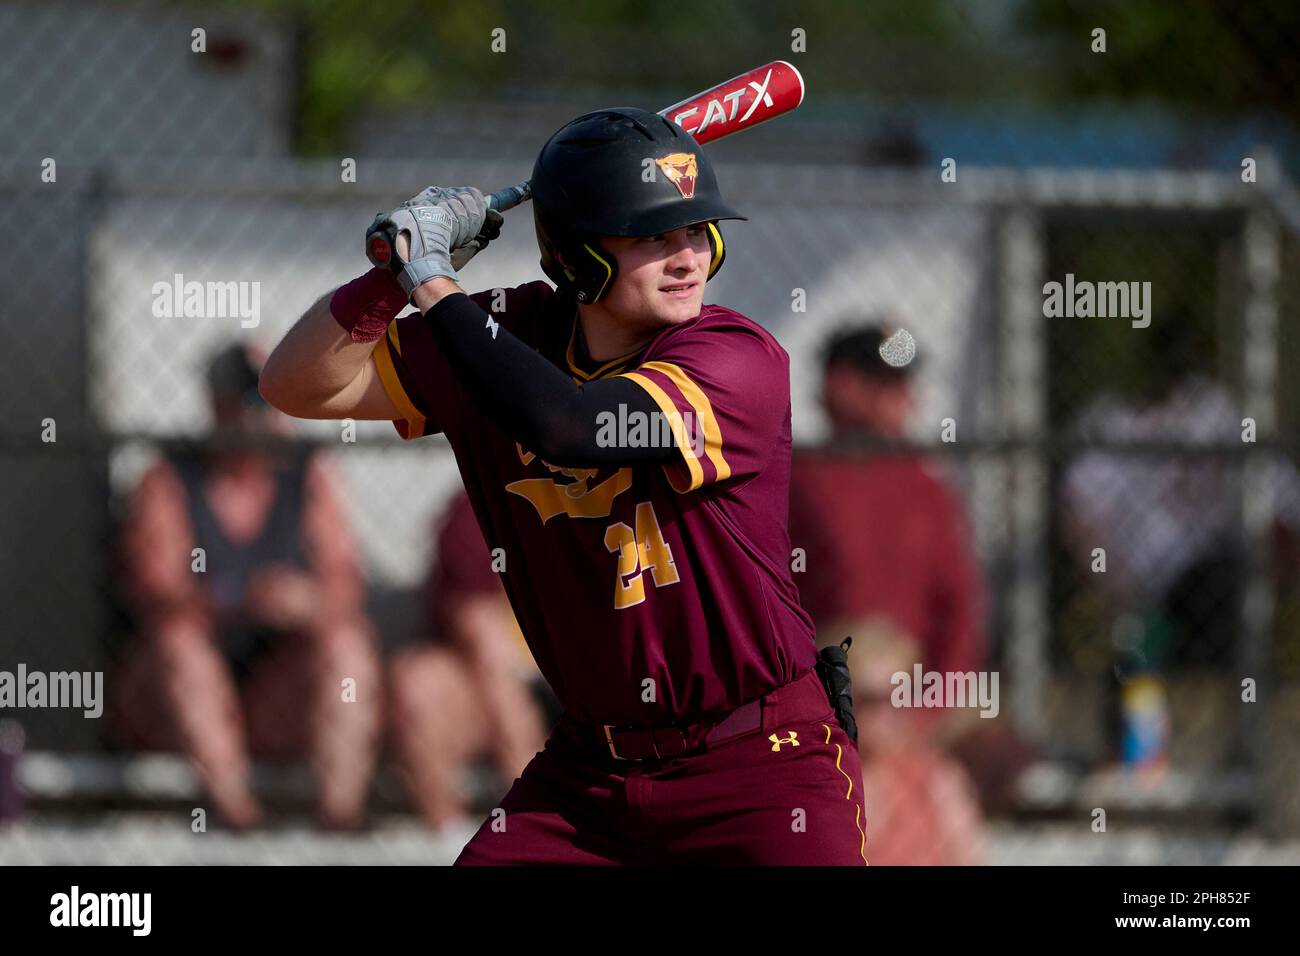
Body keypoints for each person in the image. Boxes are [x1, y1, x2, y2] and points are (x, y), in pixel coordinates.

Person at [260, 107, 868, 864]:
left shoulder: (735, 357)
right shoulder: (502, 334)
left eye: (695, 231)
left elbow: (571, 425)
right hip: (590, 778)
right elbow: (298, 385)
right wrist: (390, 278)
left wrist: (435, 282)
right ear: (578, 256)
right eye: (651, 236)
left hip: (758, 761)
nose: (687, 259)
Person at [113, 344, 381, 830]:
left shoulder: (308, 474)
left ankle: (340, 820)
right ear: (217, 406)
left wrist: (305, 601)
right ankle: (239, 821)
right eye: (250, 404)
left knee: (347, 643)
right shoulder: (169, 477)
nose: (263, 419)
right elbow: (155, 593)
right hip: (173, 701)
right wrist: (240, 597)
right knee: (180, 644)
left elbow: (345, 587)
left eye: (272, 403)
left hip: (268, 698)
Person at [790, 324, 986, 684]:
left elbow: (958, 606)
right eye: (886, 383)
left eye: (904, 383)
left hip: (917, 695)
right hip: (826, 689)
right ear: (842, 384)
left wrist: (934, 705)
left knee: (1007, 741)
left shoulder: (923, 484)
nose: (906, 396)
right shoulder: (799, 482)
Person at [387, 490, 549, 831]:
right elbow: (473, 628)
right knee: (420, 682)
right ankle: (455, 837)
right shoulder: (479, 506)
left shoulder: (620, 500)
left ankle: (538, 823)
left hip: (590, 687)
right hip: (506, 684)